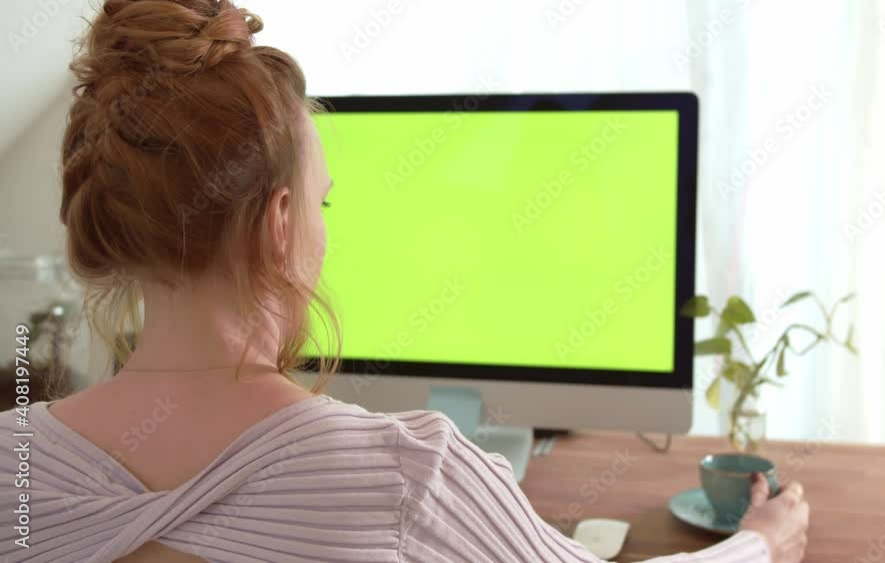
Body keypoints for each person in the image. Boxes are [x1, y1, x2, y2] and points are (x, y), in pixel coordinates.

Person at [0, 1, 809, 561]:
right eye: (321, 202)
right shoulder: (405, 477)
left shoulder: (14, 469)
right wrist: (760, 542)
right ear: (278, 222)